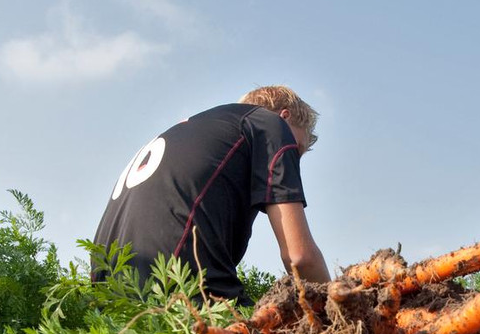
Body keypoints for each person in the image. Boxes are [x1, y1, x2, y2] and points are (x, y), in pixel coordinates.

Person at [92, 85, 331, 304]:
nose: (292, 162)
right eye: (296, 150)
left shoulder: (190, 132)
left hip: (109, 299)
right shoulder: (268, 123)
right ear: (284, 116)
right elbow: (300, 257)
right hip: (180, 289)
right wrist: (338, 313)